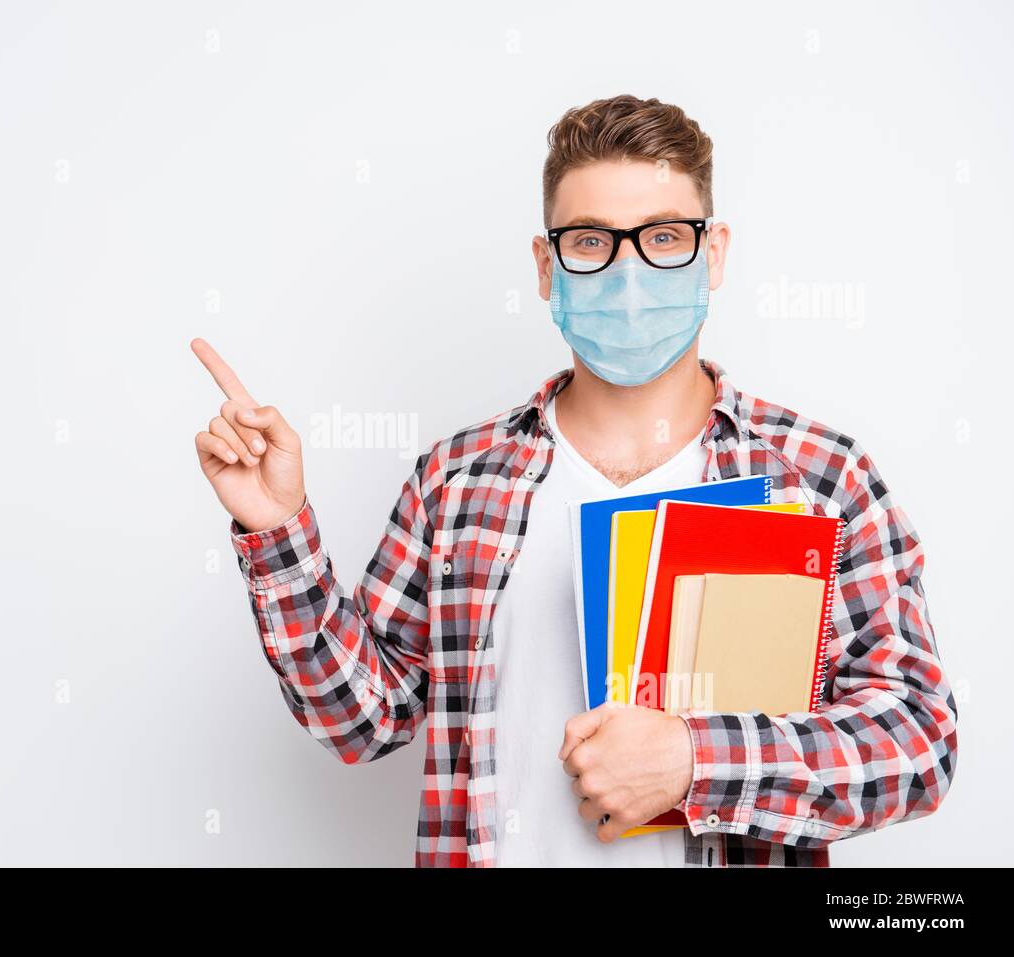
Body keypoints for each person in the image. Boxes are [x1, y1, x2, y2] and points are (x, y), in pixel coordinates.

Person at [191, 94, 957, 867]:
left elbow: (918, 741)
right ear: (546, 264)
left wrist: (698, 759)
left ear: (713, 252)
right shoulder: (457, 480)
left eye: (663, 237)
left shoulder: (821, 479)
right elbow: (363, 719)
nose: (628, 273)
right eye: (591, 240)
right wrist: (277, 530)